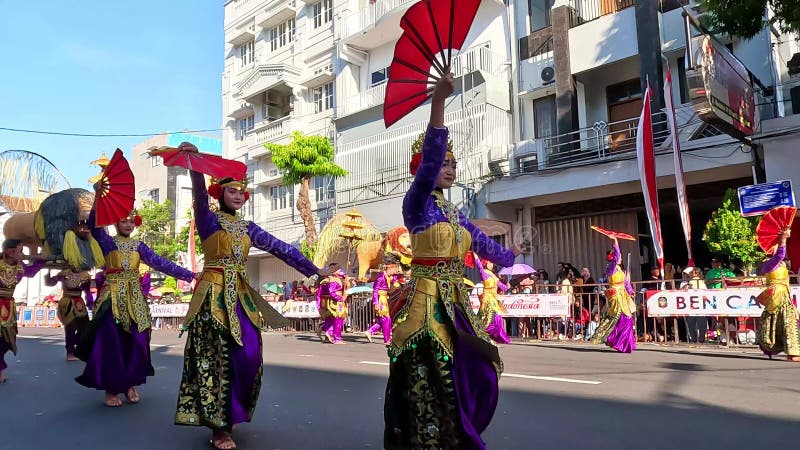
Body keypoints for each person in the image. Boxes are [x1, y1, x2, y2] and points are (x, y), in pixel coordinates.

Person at [384, 73, 524, 450]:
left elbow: (479, 242)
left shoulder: (451, 209)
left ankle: (458, 433)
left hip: (457, 303)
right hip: (426, 304)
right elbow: (429, 160)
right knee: (431, 376)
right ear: (423, 169)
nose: (450, 168)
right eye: (443, 163)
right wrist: (438, 103)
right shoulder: (416, 204)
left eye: (454, 164)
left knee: (479, 370)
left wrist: (512, 255)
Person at [173, 144, 326, 450]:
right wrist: (194, 165)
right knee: (217, 360)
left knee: (250, 354)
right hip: (213, 298)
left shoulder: (248, 227)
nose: (239, 195)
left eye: (243, 192)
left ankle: (234, 411)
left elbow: (280, 247)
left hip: (240, 297)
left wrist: (315, 270)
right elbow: (199, 197)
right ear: (220, 194)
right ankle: (219, 427)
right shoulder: (208, 220)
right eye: (233, 191)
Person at [76, 205, 196, 407]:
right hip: (112, 298)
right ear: (116, 223)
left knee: (137, 341)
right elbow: (94, 225)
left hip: (135, 298)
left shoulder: (139, 246)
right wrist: (98, 199)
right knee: (112, 342)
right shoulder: (107, 242)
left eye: (131, 221)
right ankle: (112, 389)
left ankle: (130, 384)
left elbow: (161, 263)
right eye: (124, 221)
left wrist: (189, 275)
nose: (128, 224)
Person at [44, 215, 102, 361]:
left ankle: (79, 349)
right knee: (70, 329)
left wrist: (92, 301)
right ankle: (69, 352)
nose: (83, 228)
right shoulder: (64, 273)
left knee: (86, 328)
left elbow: (89, 291)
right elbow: (50, 283)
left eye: (85, 226)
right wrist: (48, 276)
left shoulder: (85, 275)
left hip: (80, 303)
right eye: (80, 226)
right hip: (67, 303)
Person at [0, 239, 45, 383]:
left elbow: (31, 272)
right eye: (20, 250)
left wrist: (42, 259)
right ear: (9, 252)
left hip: (8, 307)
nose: (23, 254)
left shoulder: (20, 267)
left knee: (6, 341)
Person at [756, 228, 799, 361]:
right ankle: (792, 353)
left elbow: (781, 256)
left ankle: (792, 352)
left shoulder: (782, 264)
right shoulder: (767, 264)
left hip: (784, 295)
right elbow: (780, 254)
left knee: (788, 323)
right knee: (783, 323)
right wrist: (783, 239)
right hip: (775, 298)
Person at [592, 236, 636, 353]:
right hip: (616, 296)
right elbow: (616, 257)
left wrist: (631, 291)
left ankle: (620, 342)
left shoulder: (620, 270)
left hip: (623, 295)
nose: (620, 257)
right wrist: (615, 242)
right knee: (621, 317)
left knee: (628, 318)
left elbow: (626, 282)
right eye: (619, 256)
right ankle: (614, 339)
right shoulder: (611, 268)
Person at [364, 256, 400, 345]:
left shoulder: (389, 276)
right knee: (386, 319)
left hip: (384, 298)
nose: (394, 271)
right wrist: (375, 302)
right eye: (394, 269)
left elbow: (396, 284)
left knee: (383, 319)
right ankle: (387, 339)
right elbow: (375, 290)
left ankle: (370, 331)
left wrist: (398, 276)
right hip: (380, 299)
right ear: (389, 268)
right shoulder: (381, 277)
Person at [475, 256, 511, 345]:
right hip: (487, 300)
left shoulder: (494, 276)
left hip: (494, 300)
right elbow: (479, 265)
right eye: (489, 263)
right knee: (487, 319)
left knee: (497, 319)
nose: (491, 265)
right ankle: (482, 336)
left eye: (492, 263)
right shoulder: (484, 273)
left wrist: (507, 286)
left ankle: (490, 337)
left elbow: (502, 286)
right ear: (485, 263)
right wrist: (475, 256)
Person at [317, 268, 348, 344]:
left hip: (327, 302)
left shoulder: (325, 281)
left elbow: (320, 293)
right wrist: (340, 298)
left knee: (329, 319)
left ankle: (327, 333)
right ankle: (337, 339)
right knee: (339, 319)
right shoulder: (334, 280)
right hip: (336, 302)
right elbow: (332, 292)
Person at [681, 267, 708, 344]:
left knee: (702, 323)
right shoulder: (688, 282)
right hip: (691, 306)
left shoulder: (702, 282)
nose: (693, 274)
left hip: (701, 306)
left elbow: (704, 291)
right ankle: (694, 339)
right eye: (692, 273)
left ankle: (701, 339)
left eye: (695, 273)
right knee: (691, 323)